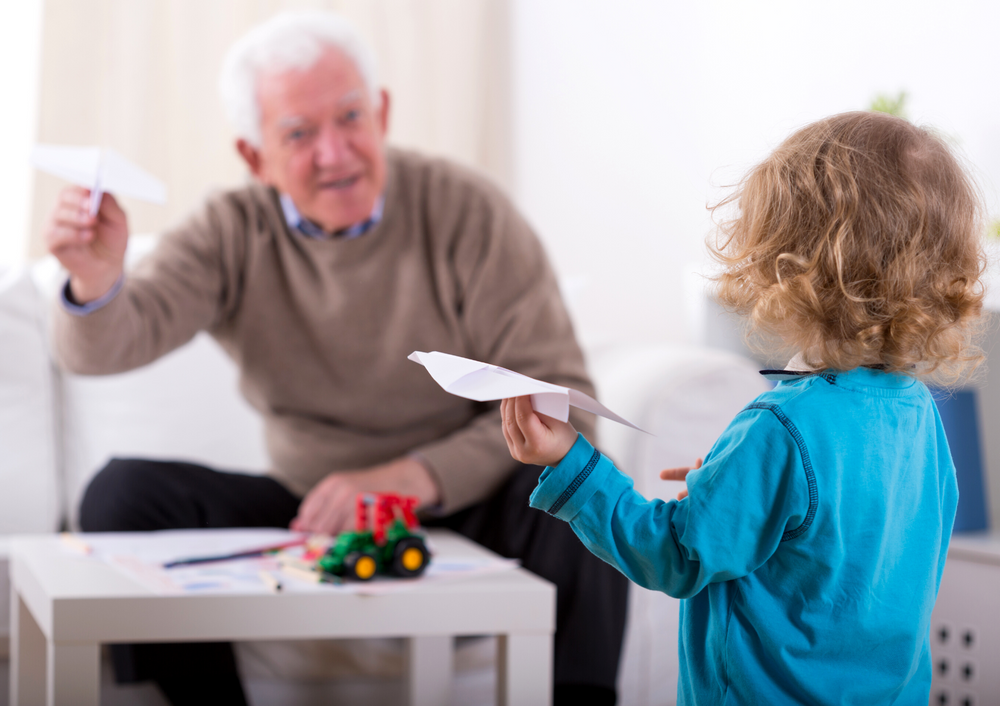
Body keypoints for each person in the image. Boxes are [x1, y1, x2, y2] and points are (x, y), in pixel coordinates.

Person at [45, 11, 626, 706]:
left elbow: (557, 398)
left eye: (350, 117)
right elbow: (108, 345)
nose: (334, 152)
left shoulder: (466, 209)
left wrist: (410, 478)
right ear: (254, 155)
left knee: (583, 480)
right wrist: (96, 279)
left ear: (381, 113)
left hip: (465, 496)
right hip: (313, 506)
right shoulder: (230, 230)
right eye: (298, 133)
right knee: (118, 495)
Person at [500, 111, 985, 705]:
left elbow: (674, 557)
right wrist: (739, 487)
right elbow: (839, 542)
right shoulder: (920, 417)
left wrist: (572, 460)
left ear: (789, 266)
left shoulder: (779, 428)